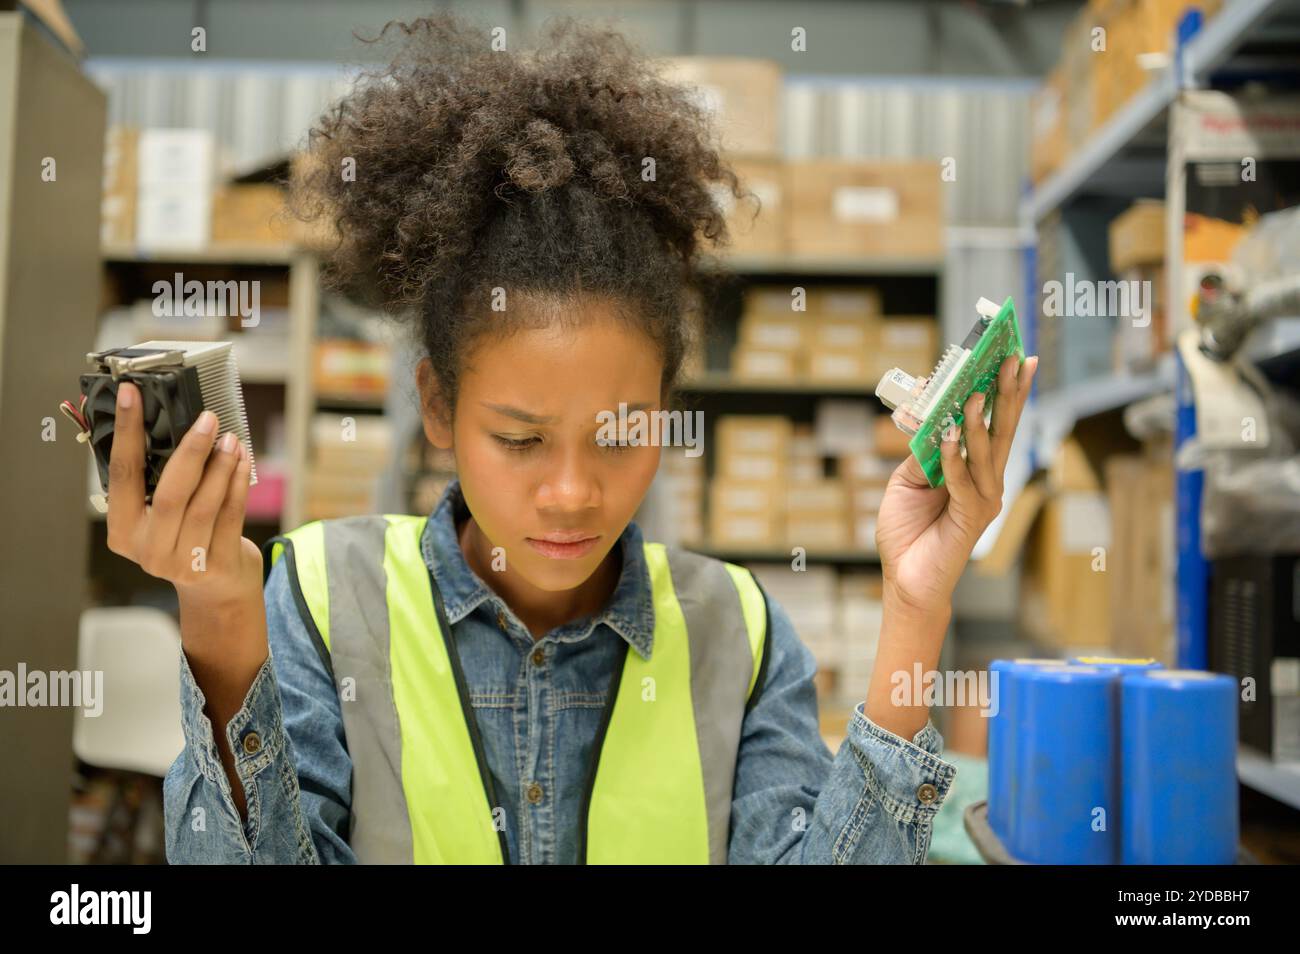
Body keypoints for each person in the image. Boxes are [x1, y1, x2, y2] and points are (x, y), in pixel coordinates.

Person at [104, 14, 1037, 864]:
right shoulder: (313, 601)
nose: (571, 492)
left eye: (621, 434)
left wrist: (916, 607)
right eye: (519, 440)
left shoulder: (739, 636)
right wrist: (218, 614)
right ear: (438, 406)